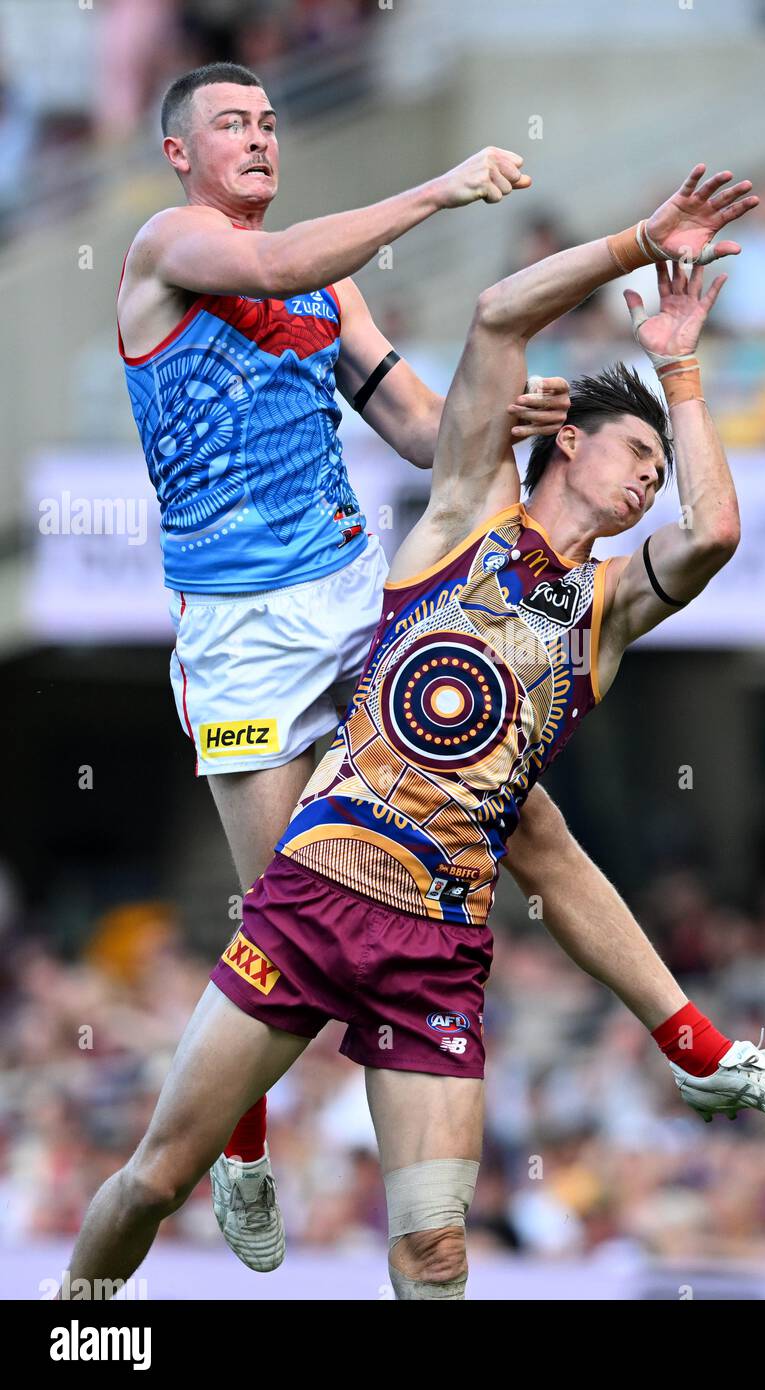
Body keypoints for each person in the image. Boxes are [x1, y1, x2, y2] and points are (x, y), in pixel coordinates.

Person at [69, 162, 765, 1300]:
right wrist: (640, 240)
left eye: (658, 468)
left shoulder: (610, 609)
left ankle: (697, 1052)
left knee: (435, 1249)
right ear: (567, 442)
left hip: (441, 940)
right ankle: (79, 1320)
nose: (649, 481)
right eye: (637, 454)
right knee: (150, 1180)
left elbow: (716, 534)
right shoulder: (465, 510)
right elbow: (497, 314)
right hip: (318, 897)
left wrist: (680, 370)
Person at [119, 59, 581, 1269]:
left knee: (474, 835)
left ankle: (434, 1202)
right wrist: (438, 190)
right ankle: (241, 1136)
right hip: (239, 639)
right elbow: (276, 266)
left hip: (351, 601)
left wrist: (504, 418)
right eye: (232, 124)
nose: (259, 141)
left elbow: (426, 433)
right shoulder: (171, 245)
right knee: (286, 932)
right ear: (180, 152)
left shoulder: (333, 294)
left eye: (270, 124)